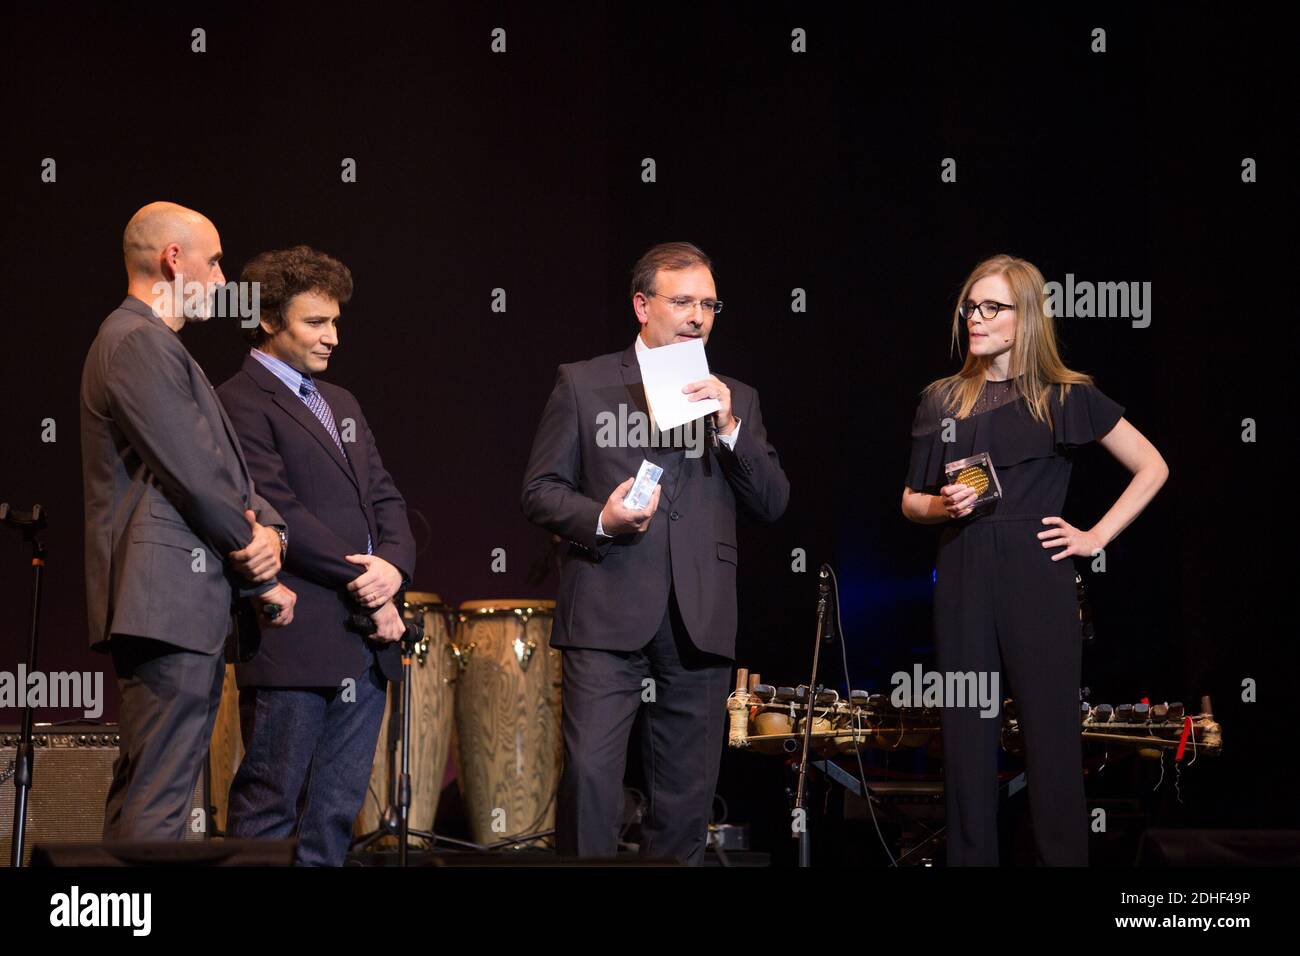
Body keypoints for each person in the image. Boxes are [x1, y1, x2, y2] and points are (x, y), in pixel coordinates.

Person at [521, 241, 789, 864]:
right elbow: (539, 491)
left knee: (685, 797)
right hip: (608, 605)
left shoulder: (737, 397)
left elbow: (773, 502)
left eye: (709, 304)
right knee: (590, 780)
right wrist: (602, 518)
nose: (698, 315)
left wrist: (729, 430)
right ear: (642, 306)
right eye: (683, 301)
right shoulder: (584, 382)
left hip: (700, 618)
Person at [901, 253, 1169, 865]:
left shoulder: (1064, 395)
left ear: (1026, 318)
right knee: (966, 741)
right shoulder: (943, 401)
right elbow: (910, 502)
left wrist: (1096, 536)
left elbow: (1152, 466)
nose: (977, 316)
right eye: (971, 305)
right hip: (964, 570)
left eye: (992, 307)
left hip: (1036, 572)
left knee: (1051, 741)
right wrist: (943, 506)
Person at [81, 201, 293, 840]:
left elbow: (220, 466)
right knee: (159, 799)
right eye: (217, 261)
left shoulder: (152, 345)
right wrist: (256, 561)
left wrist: (271, 530)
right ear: (174, 260)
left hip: (173, 603)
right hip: (165, 602)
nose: (225, 281)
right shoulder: (136, 341)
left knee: (153, 791)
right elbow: (196, 472)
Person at [217, 245, 414, 866]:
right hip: (295, 637)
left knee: (333, 816)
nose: (332, 337)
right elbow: (277, 513)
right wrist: (369, 579)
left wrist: (396, 568)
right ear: (269, 319)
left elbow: (384, 496)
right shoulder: (237, 401)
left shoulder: (342, 402)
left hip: (364, 642)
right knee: (270, 806)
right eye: (315, 323)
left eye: (336, 322)